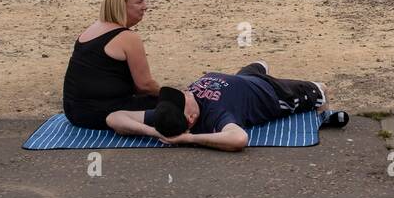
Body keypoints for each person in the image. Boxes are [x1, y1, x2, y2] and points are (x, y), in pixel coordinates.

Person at [102, 62, 343, 151]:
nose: (185, 92)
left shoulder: (165, 113)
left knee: (259, 63)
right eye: (182, 99)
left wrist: (155, 132)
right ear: (191, 119)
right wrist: (186, 139)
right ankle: (320, 116)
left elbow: (114, 117)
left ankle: (258, 66)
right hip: (273, 92)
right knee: (321, 89)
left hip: (242, 78)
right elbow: (239, 139)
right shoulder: (216, 116)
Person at [62, 0, 161, 129]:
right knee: (177, 105)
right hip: (99, 113)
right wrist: (173, 95)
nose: (145, 7)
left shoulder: (94, 28)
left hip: (74, 111)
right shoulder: (128, 38)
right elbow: (145, 85)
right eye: (139, 2)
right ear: (122, 6)